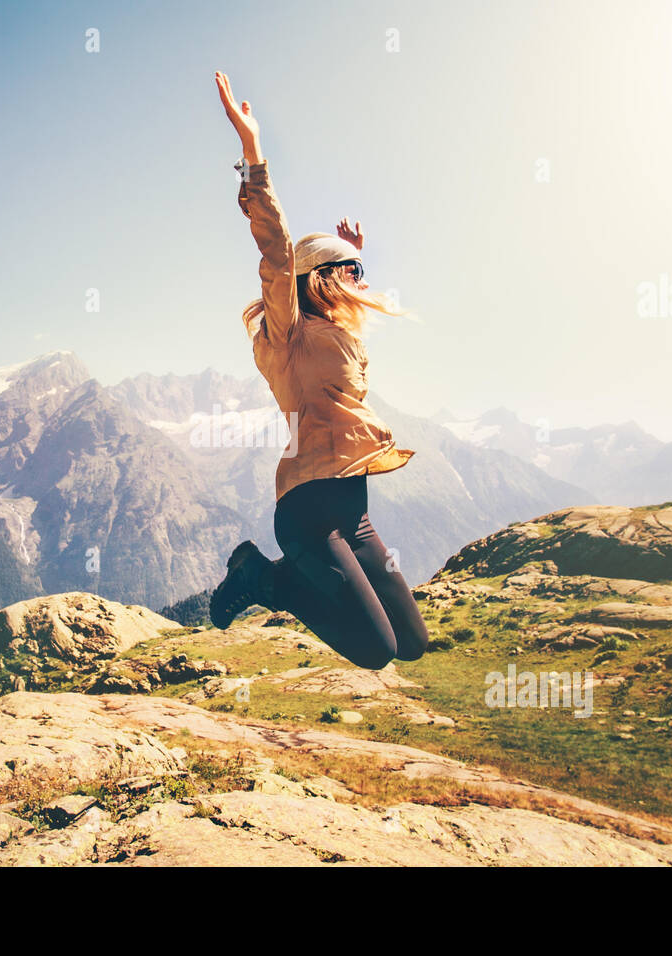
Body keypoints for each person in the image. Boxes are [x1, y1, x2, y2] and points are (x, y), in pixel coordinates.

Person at [207, 71, 430, 670]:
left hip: (353, 514)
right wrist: (253, 156)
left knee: (412, 644)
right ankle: (261, 579)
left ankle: (277, 579)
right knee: (376, 652)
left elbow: (344, 299)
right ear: (320, 281)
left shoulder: (335, 330)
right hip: (308, 513)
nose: (360, 283)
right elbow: (277, 251)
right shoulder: (289, 331)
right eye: (349, 272)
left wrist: (358, 257)